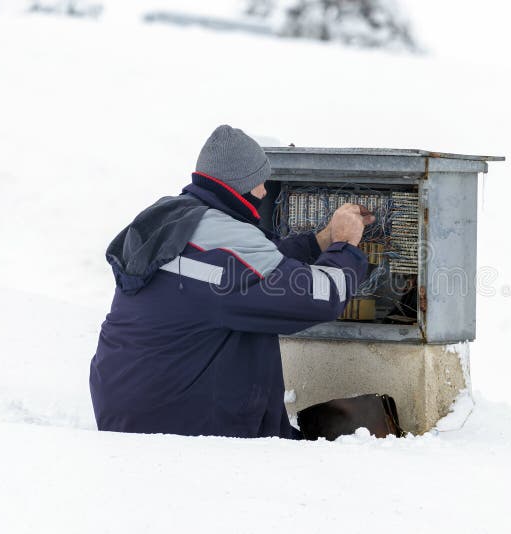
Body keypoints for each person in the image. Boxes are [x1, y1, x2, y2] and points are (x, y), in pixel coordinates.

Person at [89, 125, 373, 439]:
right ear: (241, 186)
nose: (265, 192)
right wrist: (345, 245)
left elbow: (245, 267)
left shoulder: (175, 218)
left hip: (130, 410)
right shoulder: (222, 250)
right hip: (182, 427)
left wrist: (319, 242)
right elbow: (320, 297)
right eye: (260, 183)